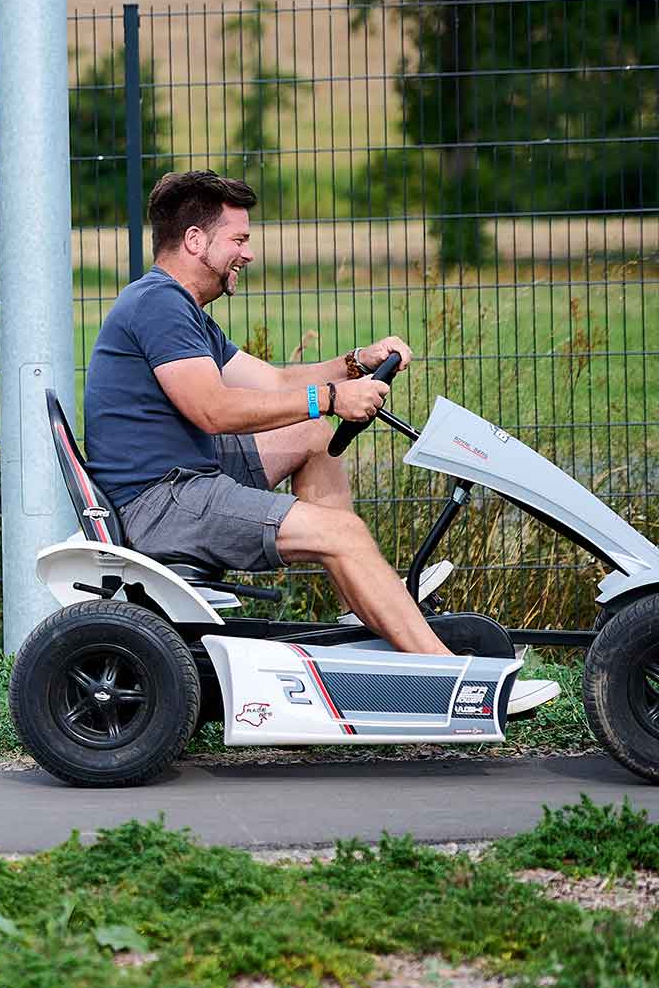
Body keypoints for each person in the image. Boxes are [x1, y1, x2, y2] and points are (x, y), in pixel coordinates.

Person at [82, 169, 450, 656]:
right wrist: (330, 398)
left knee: (313, 436)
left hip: (181, 481)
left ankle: (363, 605)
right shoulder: (160, 307)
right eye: (238, 240)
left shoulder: (176, 306)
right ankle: (453, 678)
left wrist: (357, 362)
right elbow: (214, 411)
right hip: (163, 504)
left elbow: (274, 382)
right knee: (344, 533)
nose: (248, 253)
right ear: (194, 240)